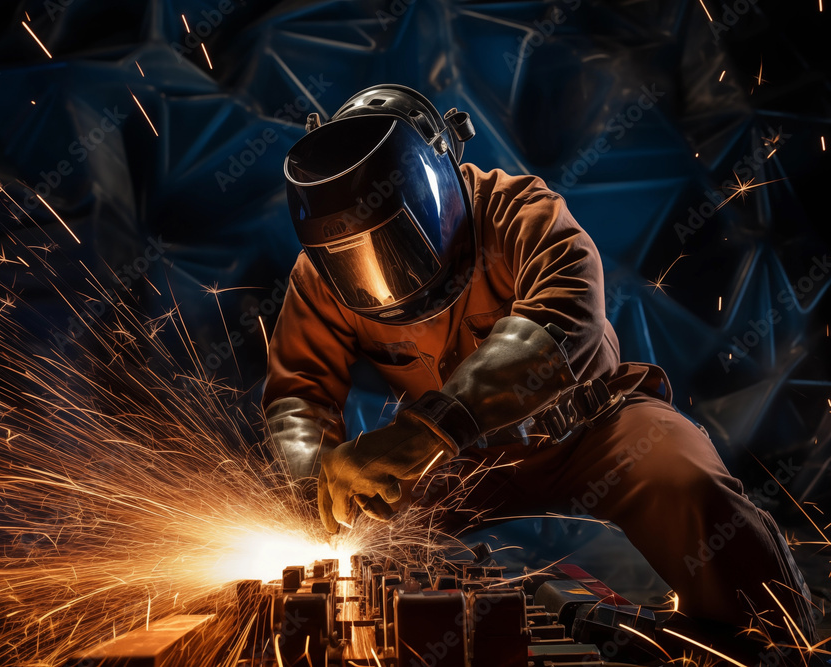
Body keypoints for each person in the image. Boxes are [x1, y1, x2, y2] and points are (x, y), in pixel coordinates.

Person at [262, 84, 816, 652]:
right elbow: (296, 397)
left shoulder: (518, 210)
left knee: (689, 485)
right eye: (355, 258)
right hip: (454, 464)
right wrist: (316, 487)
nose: (381, 270)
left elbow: (566, 313)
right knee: (365, 547)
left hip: (591, 429)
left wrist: (428, 429)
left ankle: (773, 645)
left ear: (441, 176)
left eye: (398, 240)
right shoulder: (319, 277)